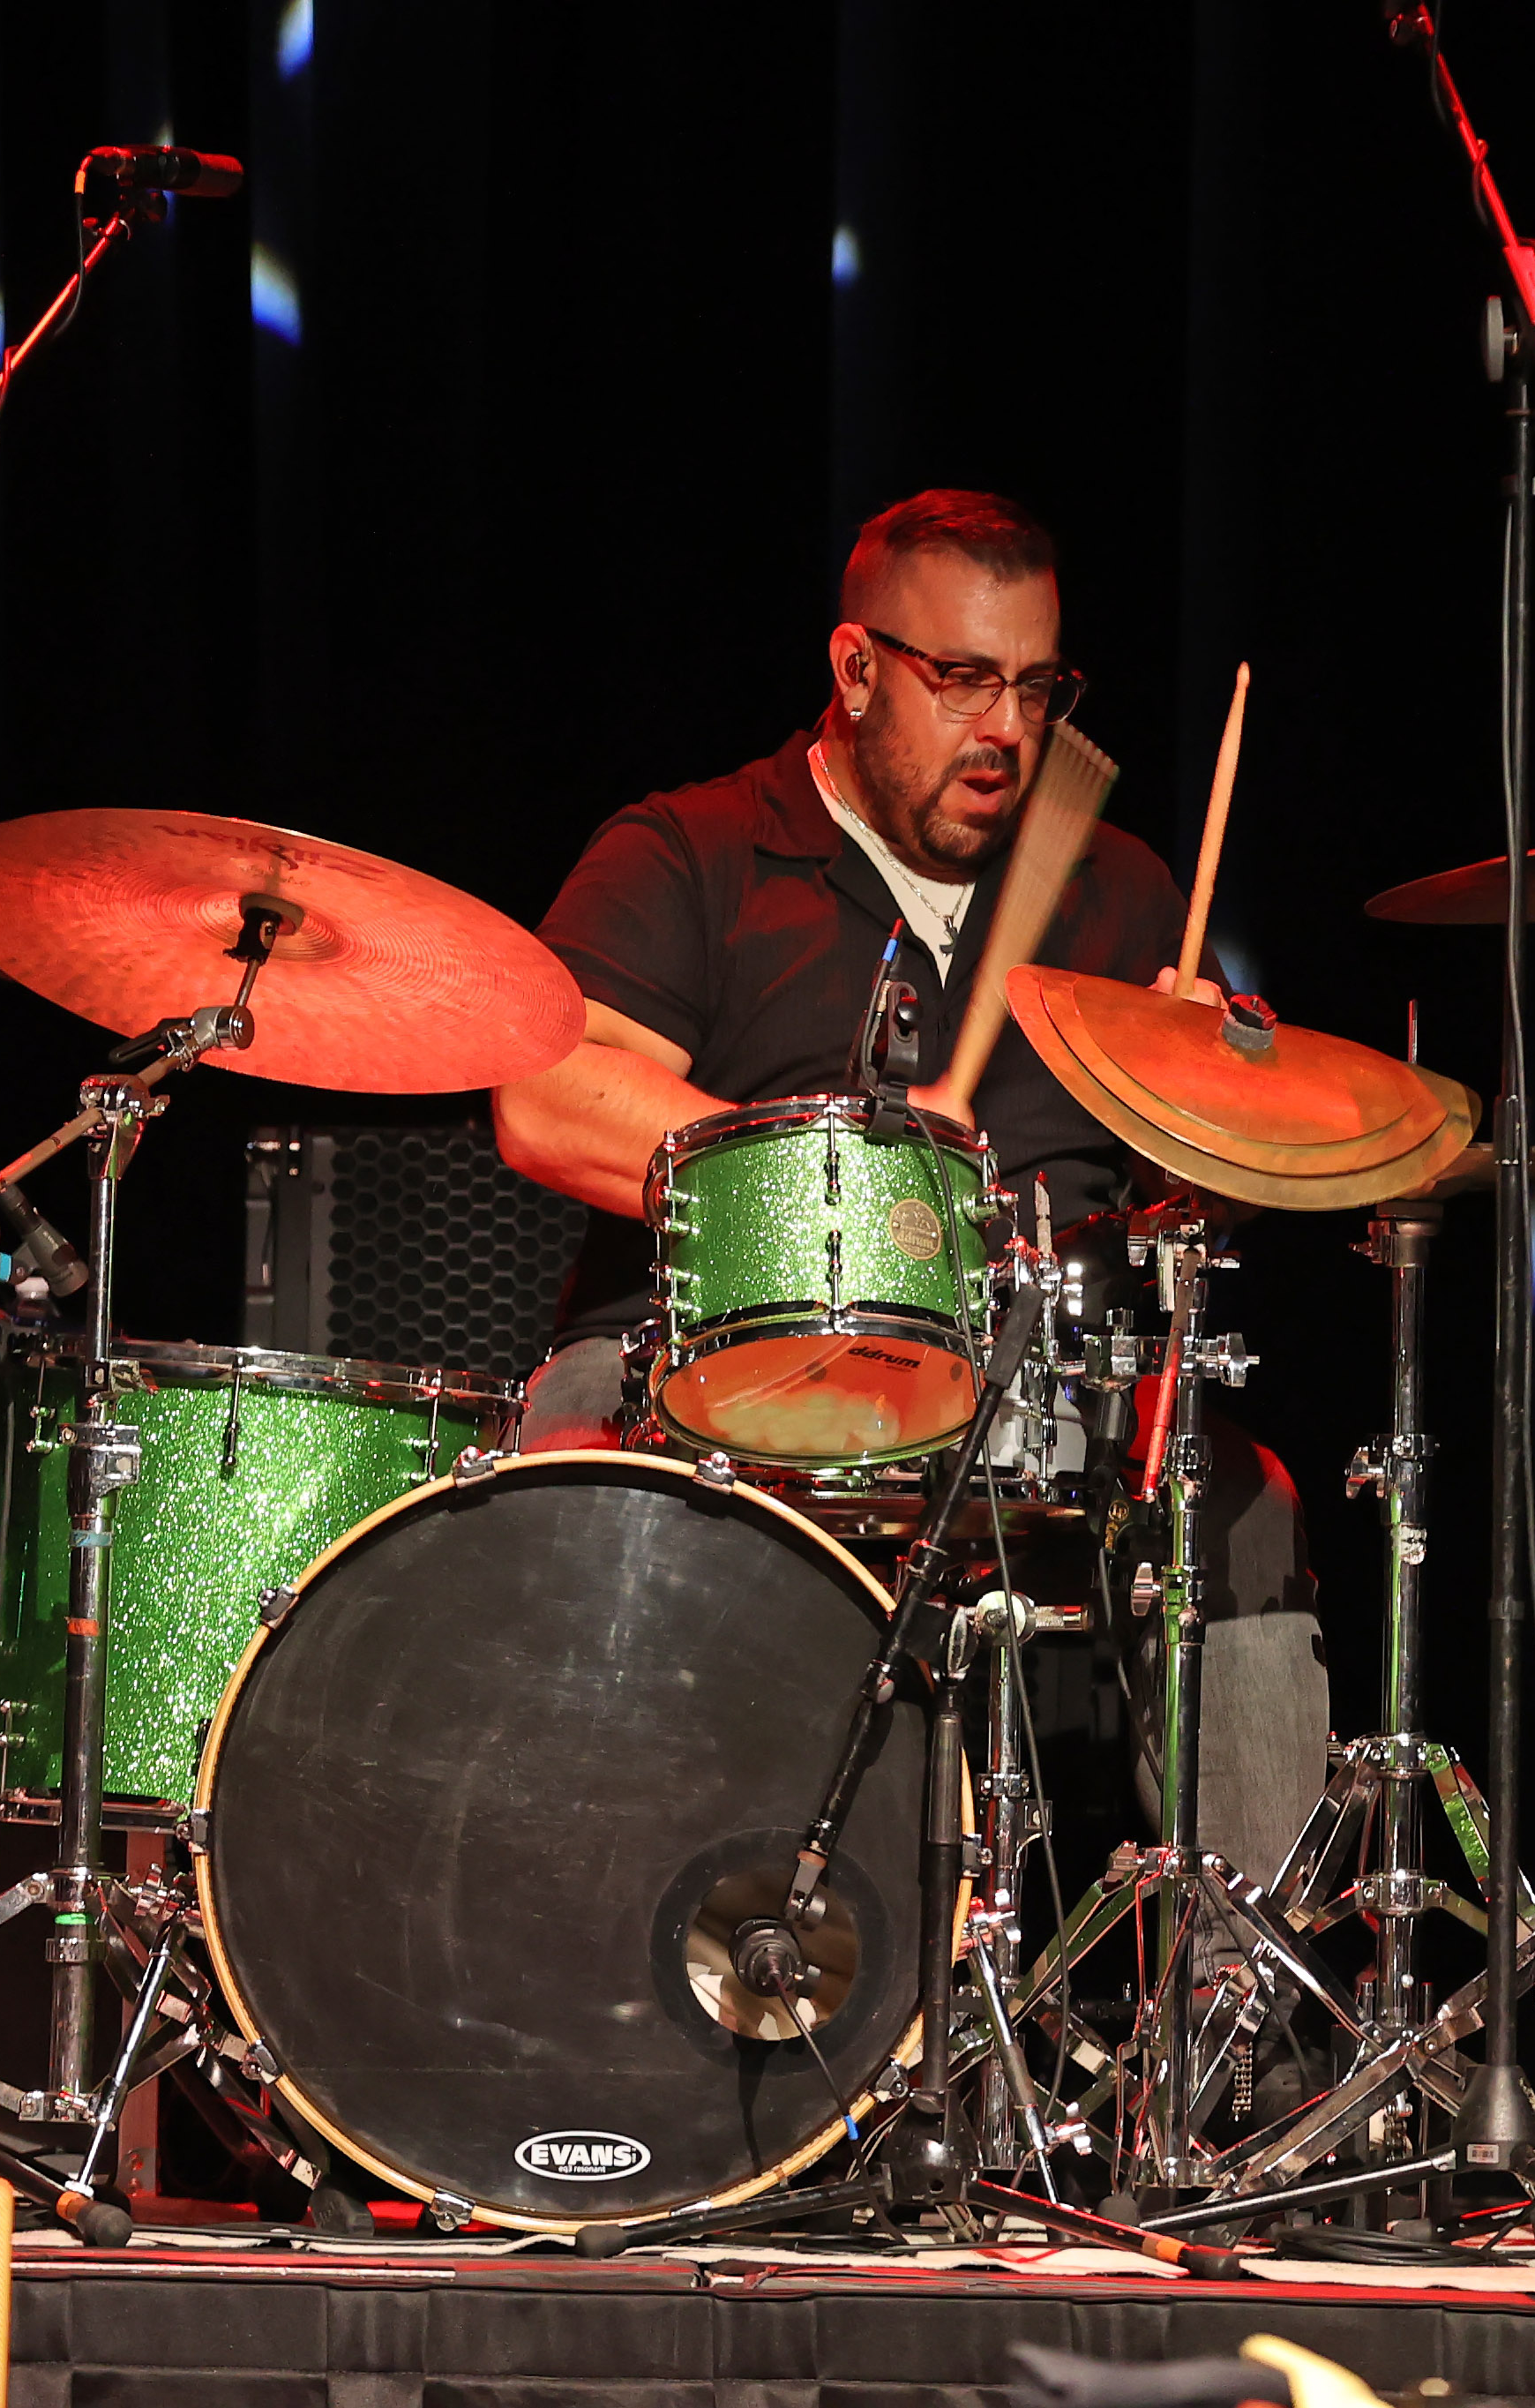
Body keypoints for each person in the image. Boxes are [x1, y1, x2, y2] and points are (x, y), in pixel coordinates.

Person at [491, 488, 1329, 1887]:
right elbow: (546, 1095)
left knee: (1241, 1499)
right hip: (700, 1371)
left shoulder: (1116, 893)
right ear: (857, 667)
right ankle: (583, 1946)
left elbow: (1188, 1207)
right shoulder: (693, 851)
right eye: (963, 681)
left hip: (1032, 1401)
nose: (1006, 730)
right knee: (565, 1441)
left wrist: (1213, 1109)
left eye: (1035, 686)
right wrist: (841, 1184)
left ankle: (1235, 2019)